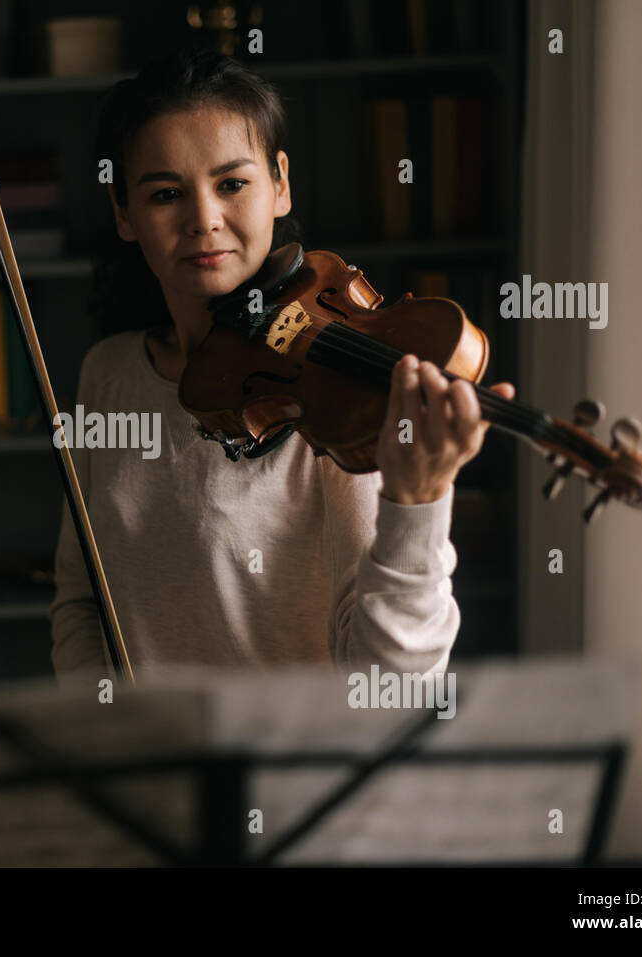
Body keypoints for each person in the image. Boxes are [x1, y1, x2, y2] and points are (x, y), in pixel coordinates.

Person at [49, 47, 514, 688]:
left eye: (232, 183)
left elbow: (393, 685)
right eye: (164, 194)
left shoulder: (333, 406)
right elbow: (80, 602)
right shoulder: (106, 375)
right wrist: (108, 737)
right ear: (125, 215)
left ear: (280, 184)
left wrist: (419, 501)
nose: (204, 219)